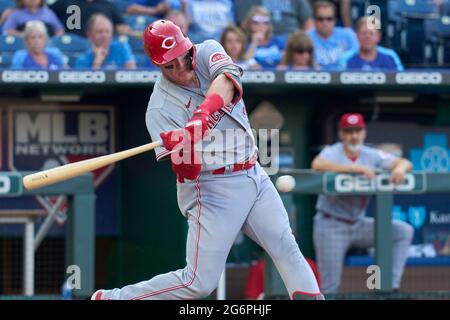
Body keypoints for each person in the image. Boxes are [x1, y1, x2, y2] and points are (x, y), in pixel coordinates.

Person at [91, 19, 323, 300]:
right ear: (156, 66)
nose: (181, 68)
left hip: (253, 173)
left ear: (189, 46)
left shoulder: (206, 51)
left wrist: (199, 121)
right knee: (199, 283)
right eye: (169, 65)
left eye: (183, 57)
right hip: (212, 188)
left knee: (286, 247)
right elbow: (187, 173)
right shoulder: (160, 109)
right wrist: (184, 150)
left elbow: (227, 83)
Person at [311, 113, 414, 295]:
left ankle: (391, 284)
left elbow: (404, 162)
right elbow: (317, 164)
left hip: (358, 223)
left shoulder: (370, 153)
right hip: (331, 224)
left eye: (357, 131)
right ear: (341, 134)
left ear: (364, 133)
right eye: (348, 131)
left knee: (403, 231)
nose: (354, 136)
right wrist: (354, 169)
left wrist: (399, 168)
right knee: (330, 288)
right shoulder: (332, 152)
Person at [307, 1, 358, 70]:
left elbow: (359, 55)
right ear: (314, 20)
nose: (325, 22)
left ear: (335, 20)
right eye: (320, 19)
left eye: (329, 19)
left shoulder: (348, 35)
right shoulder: (307, 38)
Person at [339, 17, 404, 71]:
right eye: (364, 33)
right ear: (357, 35)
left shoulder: (390, 56)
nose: (367, 37)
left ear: (378, 36)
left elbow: (402, 80)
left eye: (371, 33)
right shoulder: (346, 58)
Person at [50, 0, 140, 38]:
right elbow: (46, 14)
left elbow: (121, 26)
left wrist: (129, 32)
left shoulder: (108, 5)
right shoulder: (65, 2)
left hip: (102, 44)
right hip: (74, 48)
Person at [235, 0, 314, 41]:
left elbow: (309, 22)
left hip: (292, 40)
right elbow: (244, 23)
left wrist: (302, 39)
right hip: (262, 39)